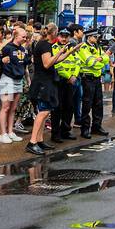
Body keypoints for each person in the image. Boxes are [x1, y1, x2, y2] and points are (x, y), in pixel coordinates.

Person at [26, 25, 78, 156]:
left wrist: (69, 52)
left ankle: (40, 140)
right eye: (57, 33)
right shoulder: (44, 45)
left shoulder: (45, 44)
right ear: (53, 33)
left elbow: (54, 61)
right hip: (42, 82)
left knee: (46, 112)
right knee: (42, 112)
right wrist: (60, 52)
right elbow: (47, 63)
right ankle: (32, 143)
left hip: (46, 82)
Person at [0, 27, 29, 143]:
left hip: (19, 80)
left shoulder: (23, 50)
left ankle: (10, 131)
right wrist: (2, 60)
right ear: (16, 36)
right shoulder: (7, 48)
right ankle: (2, 133)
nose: (25, 38)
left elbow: (25, 65)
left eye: (25, 36)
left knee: (13, 108)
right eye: (23, 36)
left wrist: (27, 79)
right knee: (5, 107)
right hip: (7, 80)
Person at [76, 28, 111, 139]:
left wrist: (100, 59)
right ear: (89, 37)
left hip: (96, 79)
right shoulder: (83, 47)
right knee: (87, 104)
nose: (97, 38)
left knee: (98, 104)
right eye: (94, 37)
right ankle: (85, 129)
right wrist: (100, 61)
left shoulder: (97, 47)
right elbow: (90, 62)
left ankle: (97, 127)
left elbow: (106, 57)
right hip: (88, 78)